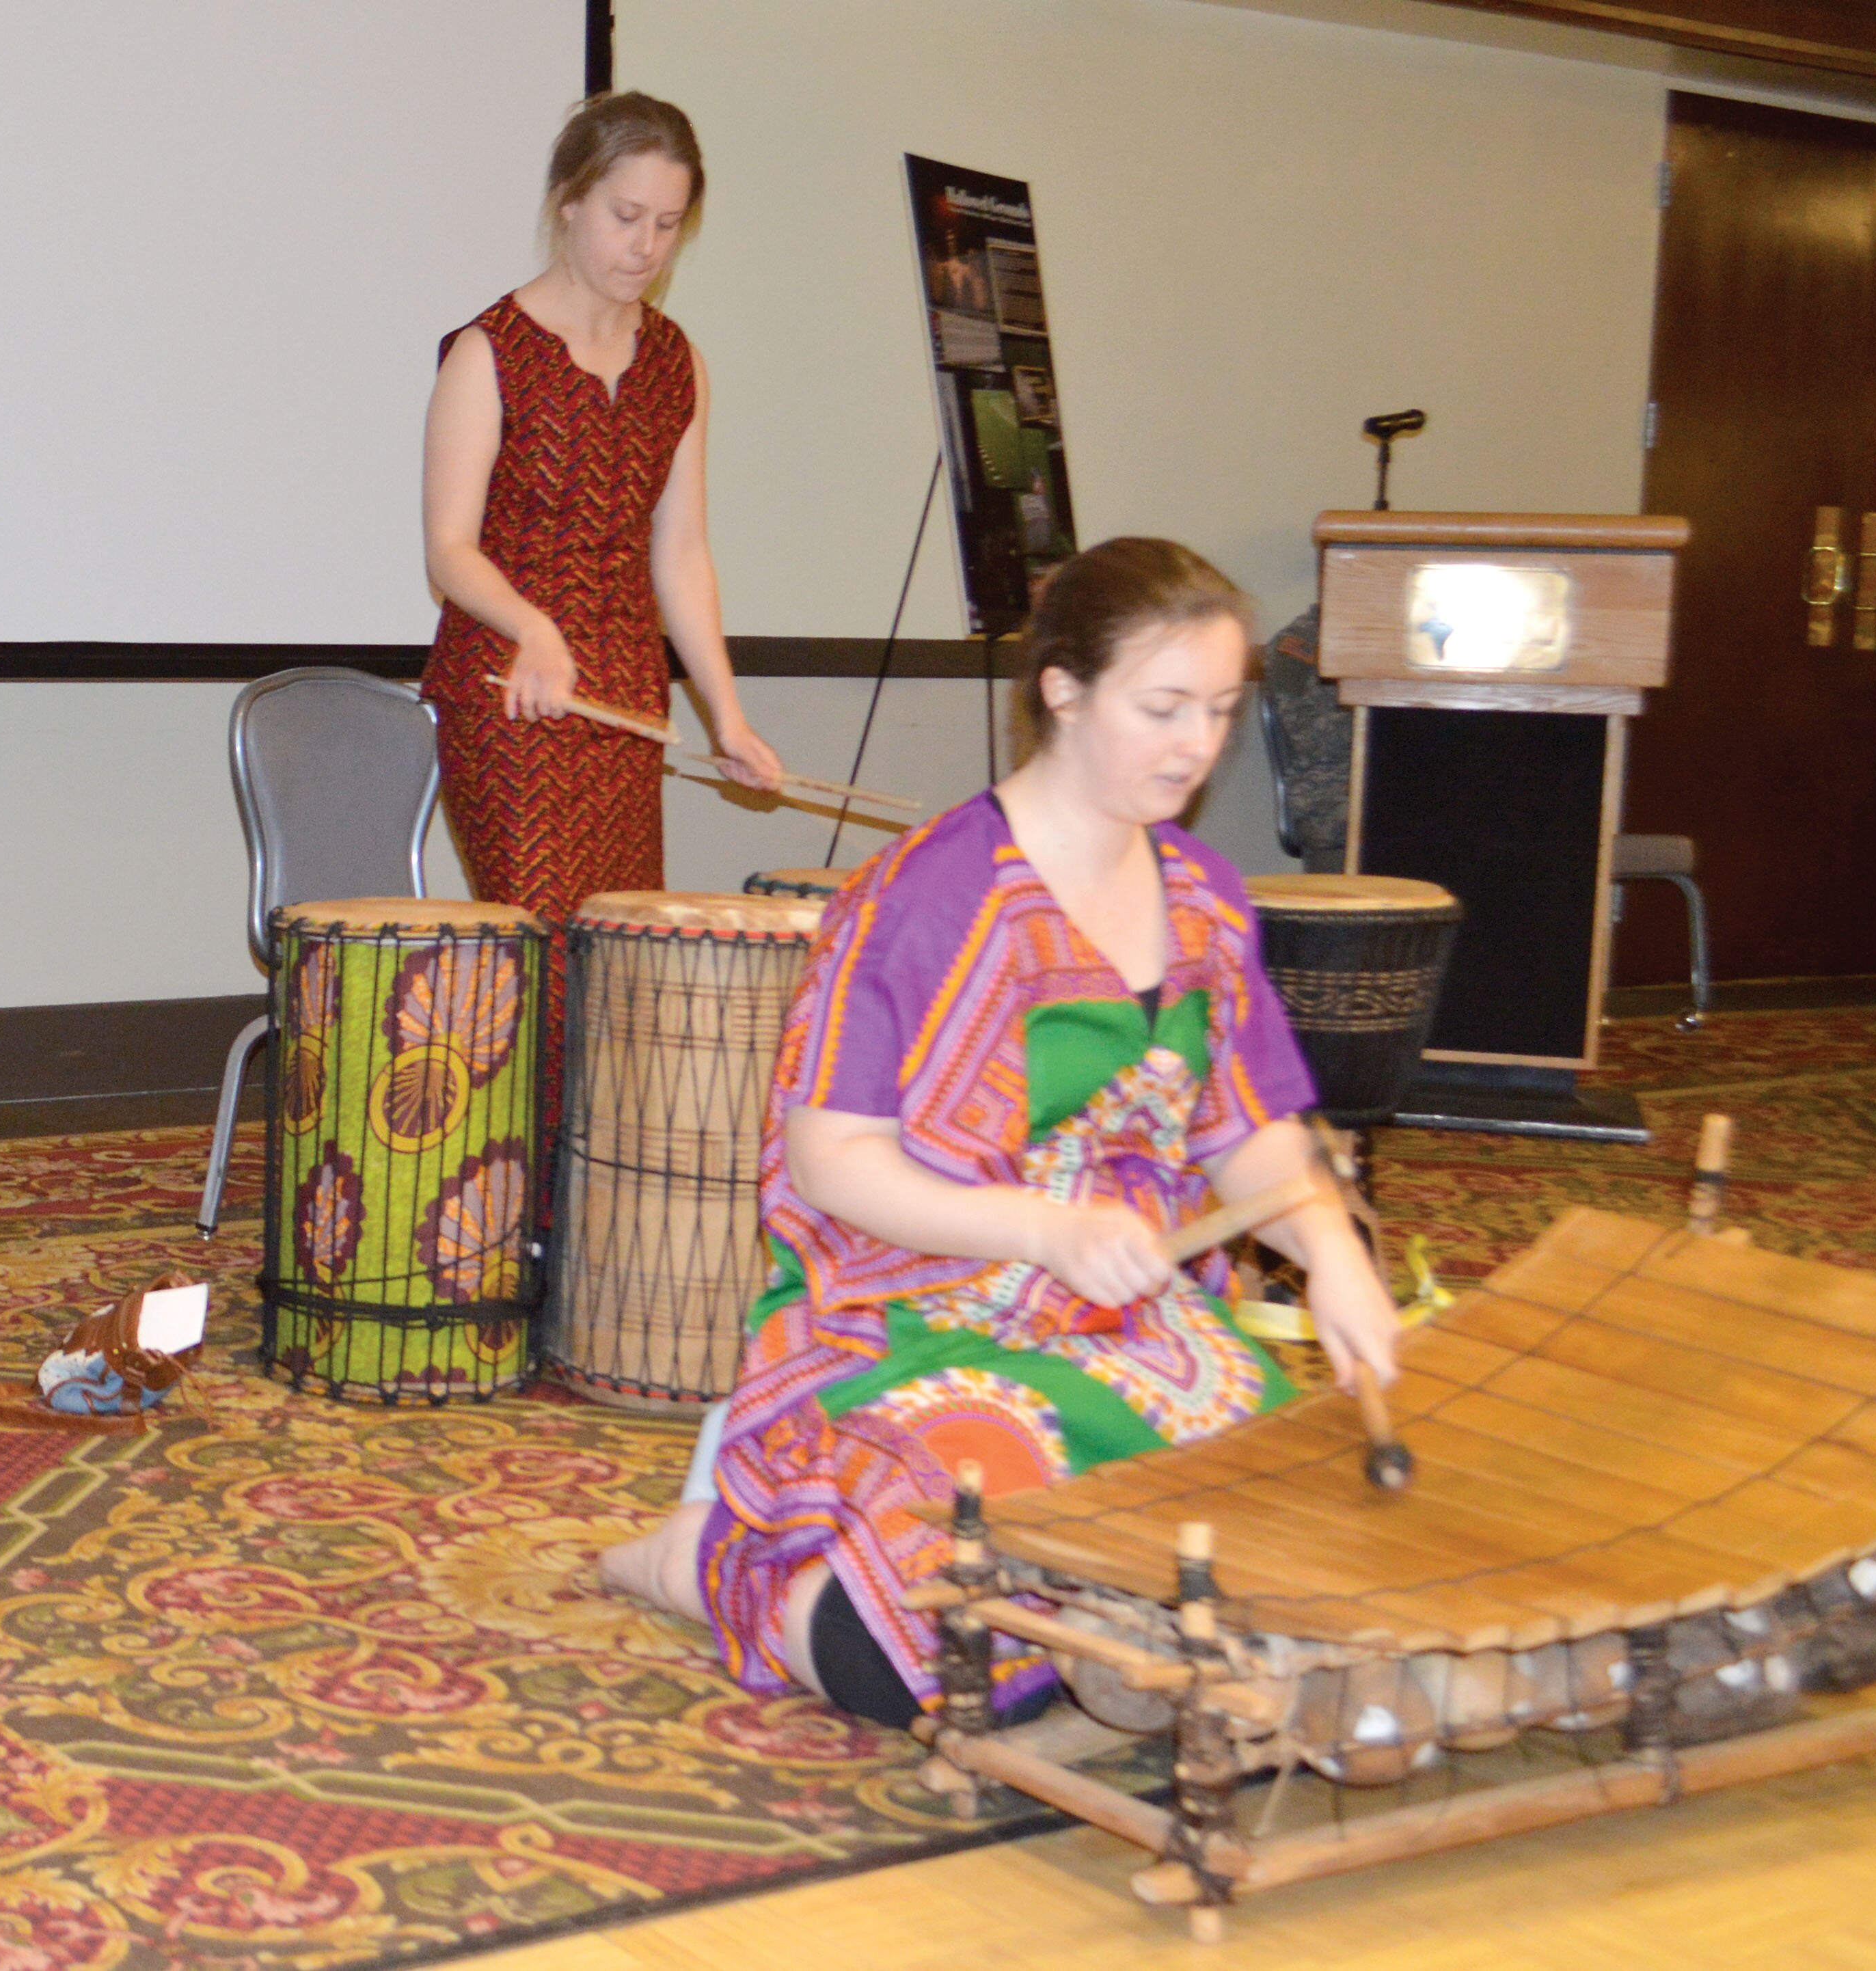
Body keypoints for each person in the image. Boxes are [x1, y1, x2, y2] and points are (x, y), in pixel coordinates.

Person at [599, 539, 1403, 1730]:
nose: (1197, 745)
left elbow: (1248, 1130)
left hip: (1133, 1322)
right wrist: (1045, 1228)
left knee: (1293, 1526)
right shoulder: (928, 897)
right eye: (1163, 708)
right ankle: (705, 1557)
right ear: (1062, 692)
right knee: (943, 1649)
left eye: (1221, 711)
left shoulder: (1204, 897)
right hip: (925, 1315)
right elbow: (833, 1159)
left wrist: (1334, 1256)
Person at [420, 92, 782, 1091]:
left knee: (618, 967)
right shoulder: (488, 352)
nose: (646, 246)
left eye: (668, 225)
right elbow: (450, 549)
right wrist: (533, 627)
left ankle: (582, 1219)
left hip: (624, 701)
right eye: (628, 216)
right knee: (550, 954)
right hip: (511, 695)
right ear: (571, 202)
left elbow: (683, 555)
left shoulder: (677, 363)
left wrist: (728, 713)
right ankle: (531, 1222)